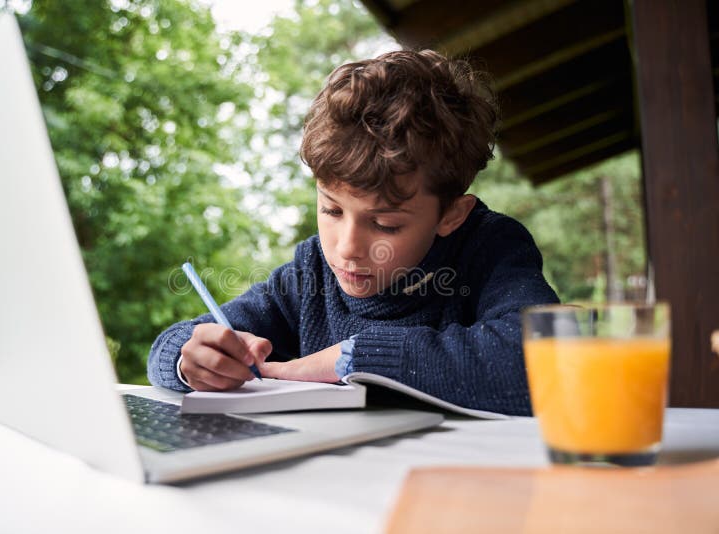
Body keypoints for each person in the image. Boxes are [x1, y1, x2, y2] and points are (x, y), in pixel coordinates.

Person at [147, 49, 559, 416]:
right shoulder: (310, 272)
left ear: (451, 215)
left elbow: (547, 361)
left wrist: (352, 358)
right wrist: (192, 361)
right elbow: (171, 345)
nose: (347, 248)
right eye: (331, 209)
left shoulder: (488, 247)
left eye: (385, 224)